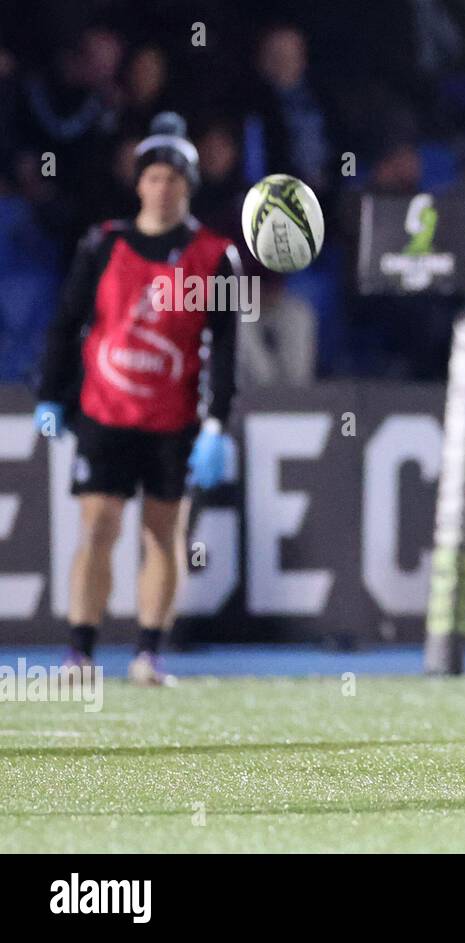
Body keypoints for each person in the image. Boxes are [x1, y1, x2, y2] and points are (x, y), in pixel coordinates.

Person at [33, 113, 240, 686]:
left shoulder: (213, 258)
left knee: (163, 532)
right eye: (154, 176)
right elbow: (66, 322)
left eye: (174, 177)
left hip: (173, 418)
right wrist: (51, 395)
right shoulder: (104, 244)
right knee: (97, 526)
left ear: (189, 186)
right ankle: (80, 652)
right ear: (139, 183)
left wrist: (218, 422)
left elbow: (224, 348)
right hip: (106, 409)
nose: (163, 186)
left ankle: (149, 653)